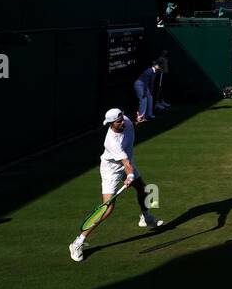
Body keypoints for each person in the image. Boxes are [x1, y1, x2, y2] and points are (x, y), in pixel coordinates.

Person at [69, 108, 163, 262]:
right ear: (111, 124)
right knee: (108, 208)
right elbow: (125, 163)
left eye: (122, 119)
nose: (122, 123)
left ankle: (145, 217)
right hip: (111, 171)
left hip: (127, 164)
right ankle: (77, 242)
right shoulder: (112, 141)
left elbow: (130, 128)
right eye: (118, 122)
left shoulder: (125, 121)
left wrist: (137, 123)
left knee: (143, 188)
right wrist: (130, 175)